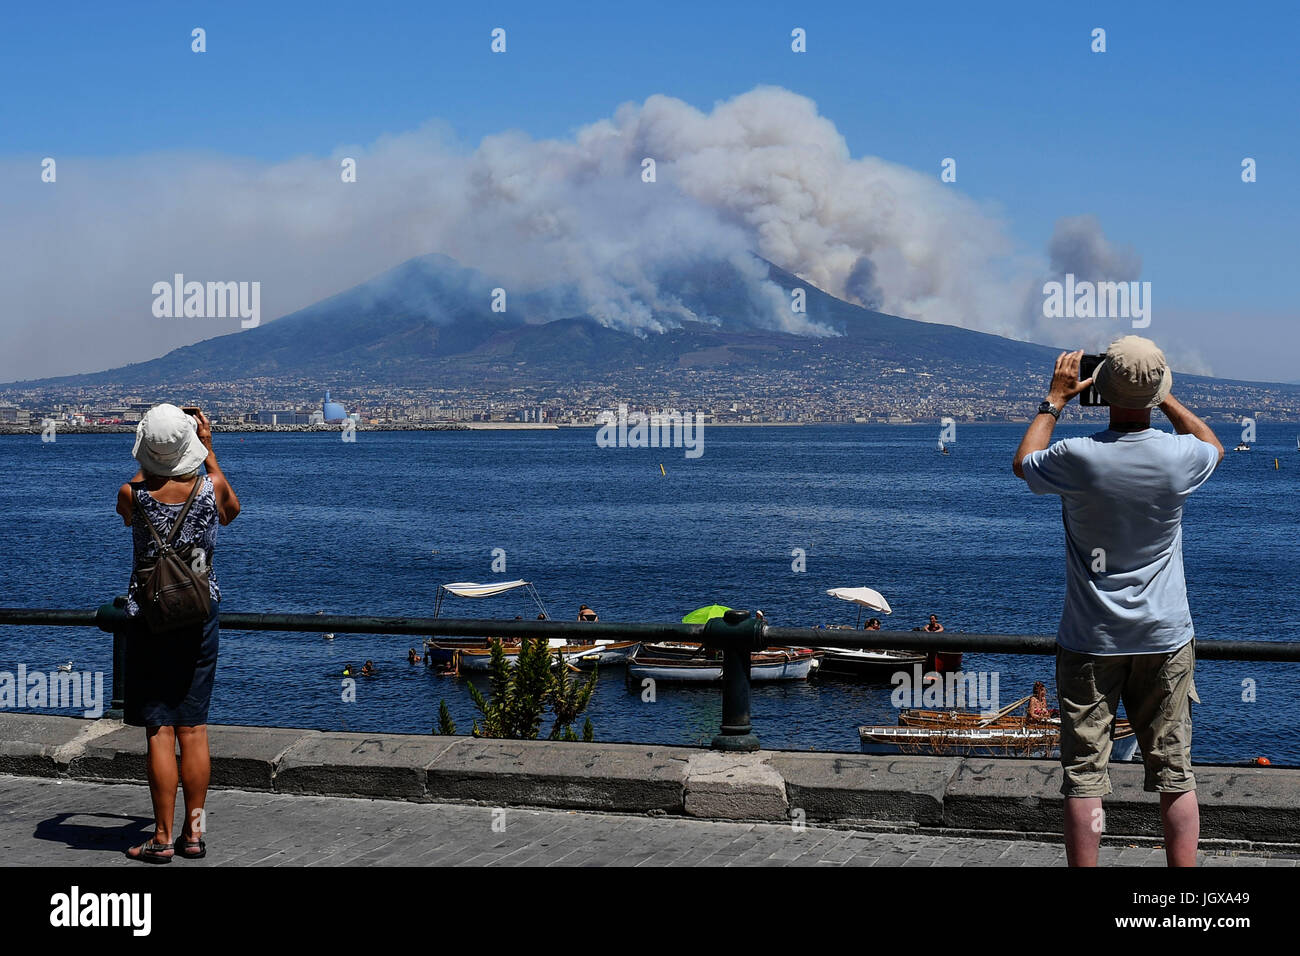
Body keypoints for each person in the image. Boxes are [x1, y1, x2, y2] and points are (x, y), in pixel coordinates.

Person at [1013, 339, 1222, 867]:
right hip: (1165, 636)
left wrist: (1054, 401)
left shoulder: (1078, 456)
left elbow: (1024, 463)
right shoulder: (1180, 458)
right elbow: (1211, 444)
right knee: (1176, 775)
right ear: (1158, 392)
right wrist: (1162, 396)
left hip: (1090, 639)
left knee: (1085, 777)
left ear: (1099, 387)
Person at [116, 405, 240, 863]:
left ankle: (162, 838)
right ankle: (194, 834)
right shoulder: (212, 488)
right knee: (194, 729)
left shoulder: (132, 493)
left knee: (159, 730)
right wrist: (206, 447)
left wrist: (157, 453)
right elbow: (232, 512)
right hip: (200, 614)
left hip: (149, 618)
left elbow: (130, 505)